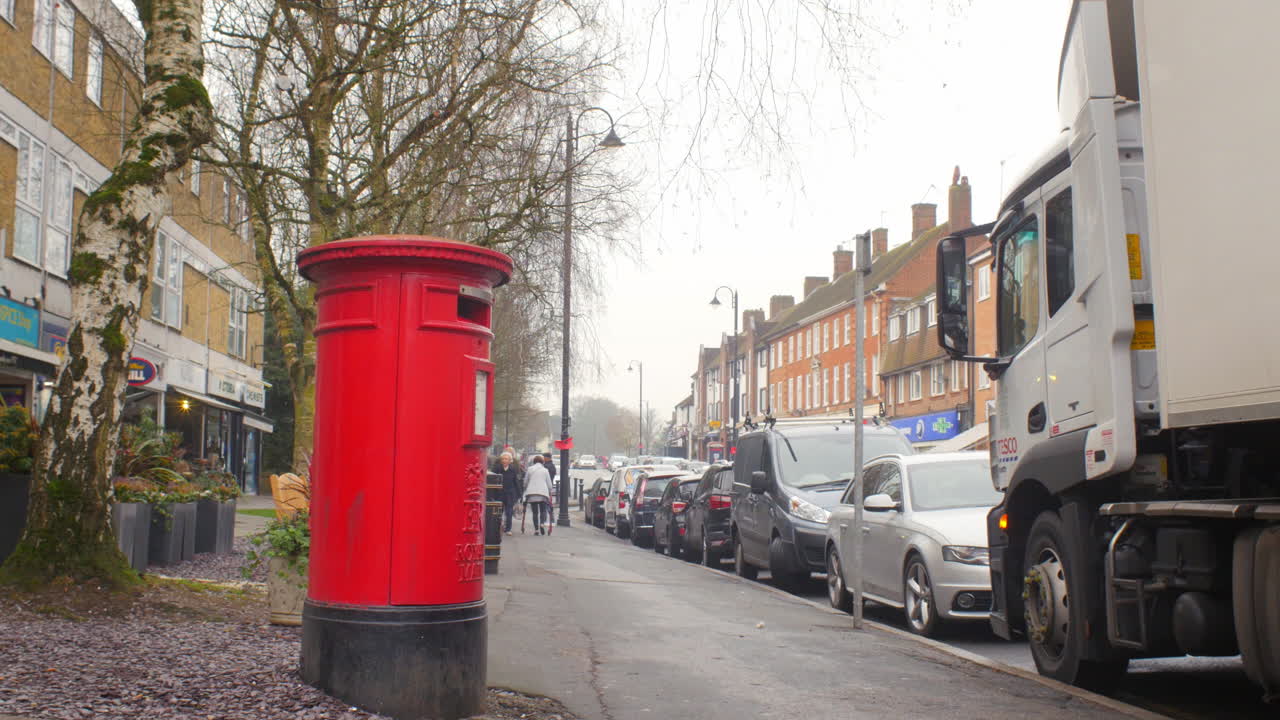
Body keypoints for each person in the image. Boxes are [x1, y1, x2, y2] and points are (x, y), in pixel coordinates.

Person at [522, 455, 553, 536]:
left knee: (535, 512)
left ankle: (536, 530)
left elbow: (525, 482)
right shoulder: (545, 470)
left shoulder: (529, 469)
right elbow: (549, 484)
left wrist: (525, 489)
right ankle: (542, 523)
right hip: (543, 493)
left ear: (534, 462)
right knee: (543, 510)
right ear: (542, 462)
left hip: (532, 493)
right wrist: (550, 491)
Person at [495, 451, 522, 536]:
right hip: (499, 493)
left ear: (510, 460)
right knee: (498, 512)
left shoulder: (513, 469)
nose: (504, 460)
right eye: (503, 458)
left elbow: (516, 482)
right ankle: (497, 528)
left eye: (506, 459)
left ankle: (508, 529)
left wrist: (519, 494)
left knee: (509, 512)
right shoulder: (497, 468)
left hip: (510, 493)